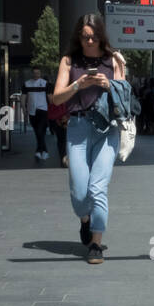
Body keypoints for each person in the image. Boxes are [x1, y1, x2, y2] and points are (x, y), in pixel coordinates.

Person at [51, 14, 126, 262]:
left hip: (107, 129)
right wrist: (77, 85)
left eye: (94, 36)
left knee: (97, 187)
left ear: (101, 35)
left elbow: (124, 96)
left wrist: (109, 84)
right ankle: (85, 219)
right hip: (78, 127)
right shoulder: (69, 60)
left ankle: (96, 242)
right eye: (85, 36)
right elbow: (57, 98)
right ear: (79, 36)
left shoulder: (113, 58)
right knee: (79, 191)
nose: (90, 41)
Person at [23, 66, 50, 160]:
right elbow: (23, 97)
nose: (36, 75)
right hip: (31, 111)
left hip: (43, 110)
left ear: (40, 73)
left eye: (38, 73)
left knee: (39, 130)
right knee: (38, 132)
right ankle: (44, 150)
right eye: (34, 73)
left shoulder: (45, 83)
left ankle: (39, 151)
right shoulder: (26, 84)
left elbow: (50, 98)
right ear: (32, 73)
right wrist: (24, 109)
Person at [46, 81, 69, 167]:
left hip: (62, 118)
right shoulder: (58, 93)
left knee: (62, 140)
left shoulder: (59, 93)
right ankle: (64, 158)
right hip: (60, 119)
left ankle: (64, 158)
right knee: (63, 140)